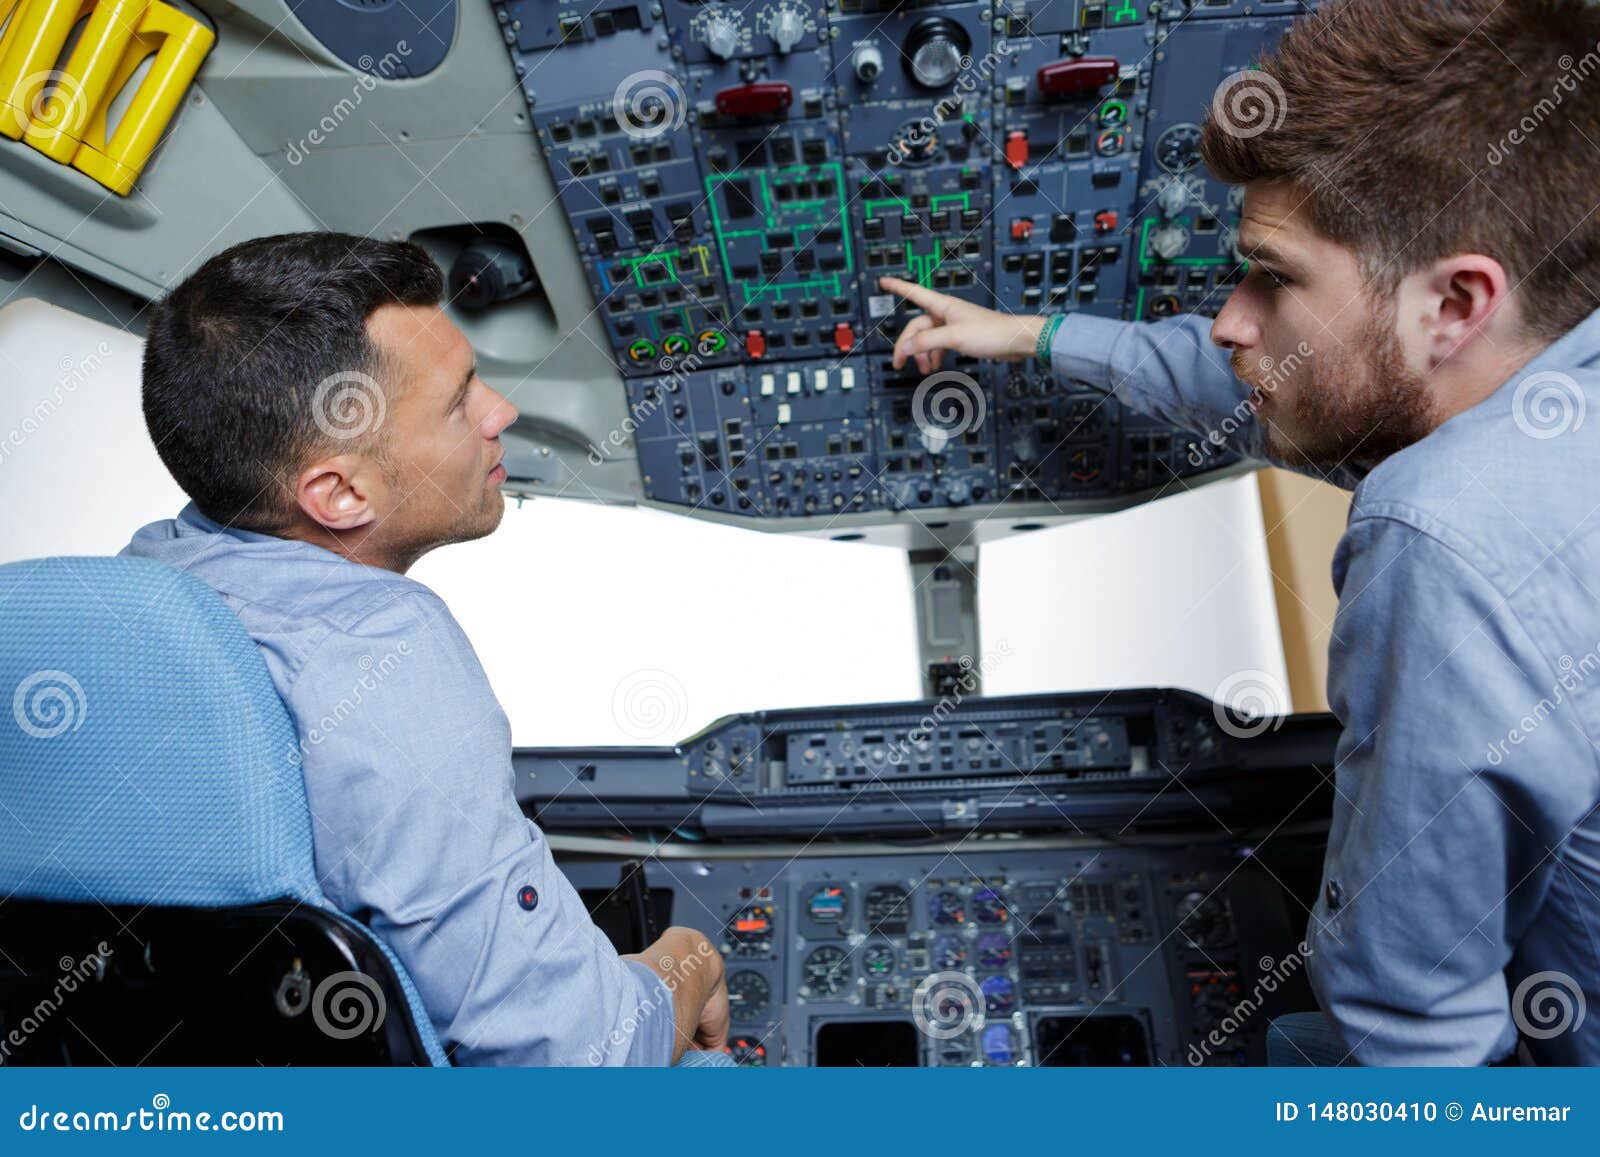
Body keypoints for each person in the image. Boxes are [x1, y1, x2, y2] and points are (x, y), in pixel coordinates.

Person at [881, 0, 1600, 1065]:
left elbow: (1411, 1025)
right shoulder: (1545, 369)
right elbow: (1285, 372)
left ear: (1454, 302)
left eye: (1272, 273)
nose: (1228, 316)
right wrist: (1034, 334)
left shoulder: (1445, 534)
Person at [123, 232, 729, 1066]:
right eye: (461, 398)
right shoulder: (377, 652)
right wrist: (688, 957)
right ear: (340, 492)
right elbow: (580, 1058)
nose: (501, 413)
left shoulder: (121, 597)